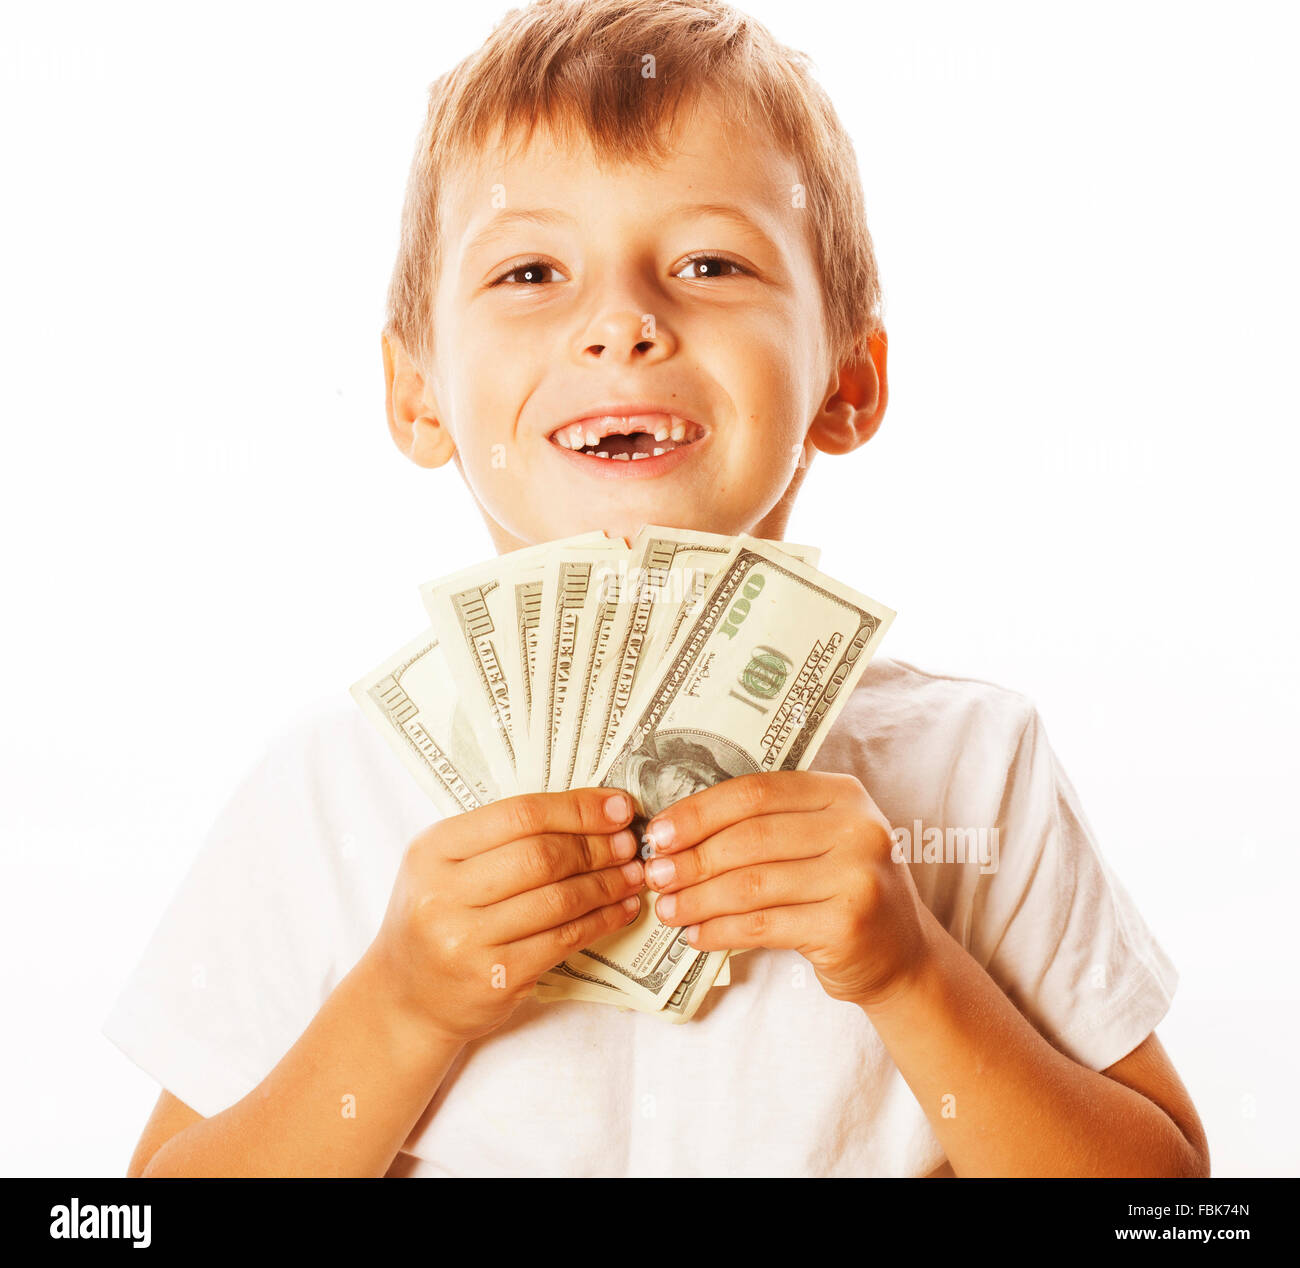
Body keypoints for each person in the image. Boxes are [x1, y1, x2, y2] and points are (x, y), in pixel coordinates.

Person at [103, 0, 1209, 1177]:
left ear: (848, 378)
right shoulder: (324, 795)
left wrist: (909, 971)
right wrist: (400, 1009)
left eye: (708, 263)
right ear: (417, 393)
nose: (623, 321)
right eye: (531, 271)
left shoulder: (973, 773)